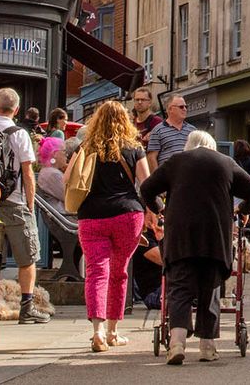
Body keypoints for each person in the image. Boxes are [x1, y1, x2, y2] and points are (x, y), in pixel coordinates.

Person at [140, 130, 250, 365]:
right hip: (214, 235)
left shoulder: (176, 162)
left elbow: (146, 188)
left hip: (180, 235)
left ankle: (177, 342)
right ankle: (207, 346)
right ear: (212, 145)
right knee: (210, 287)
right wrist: (242, 211)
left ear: (189, 145)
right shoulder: (226, 162)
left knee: (180, 287)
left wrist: (159, 208)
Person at [68, 99, 150, 352]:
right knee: (119, 273)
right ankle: (114, 331)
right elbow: (146, 184)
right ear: (125, 121)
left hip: (91, 216)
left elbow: (67, 178)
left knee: (96, 273)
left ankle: (98, 332)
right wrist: (154, 214)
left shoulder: (85, 147)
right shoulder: (134, 149)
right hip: (127, 215)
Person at [0, 87, 49, 323]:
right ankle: (27, 307)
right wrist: (30, 204)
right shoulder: (20, 134)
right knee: (27, 259)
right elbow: (27, 172)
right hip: (14, 202)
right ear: (16, 110)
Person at [145, 95, 191, 169]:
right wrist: (157, 178)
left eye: (186, 106)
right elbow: (151, 158)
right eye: (181, 107)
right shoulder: (157, 130)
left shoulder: (192, 131)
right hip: (168, 178)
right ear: (170, 109)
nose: (185, 109)